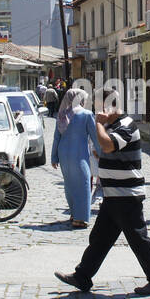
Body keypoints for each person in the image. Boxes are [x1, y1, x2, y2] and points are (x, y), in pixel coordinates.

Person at [56, 109, 150, 296]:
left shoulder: (127, 125)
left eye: (103, 108)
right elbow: (111, 152)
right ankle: (82, 276)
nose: (99, 112)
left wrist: (99, 125)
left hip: (126, 195)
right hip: (114, 194)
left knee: (138, 239)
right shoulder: (114, 127)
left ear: (114, 108)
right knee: (100, 238)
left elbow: (109, 146)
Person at [52, 87, 95, 228]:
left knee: (69, 184)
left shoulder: (62, 115)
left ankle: (73, 213)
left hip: (64, 155)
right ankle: (81, 218)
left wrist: (54, 157)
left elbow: (56, 137)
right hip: (79, 155)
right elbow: (94, 136)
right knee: (83, 185)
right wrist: (102, 152)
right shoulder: (86, 114)